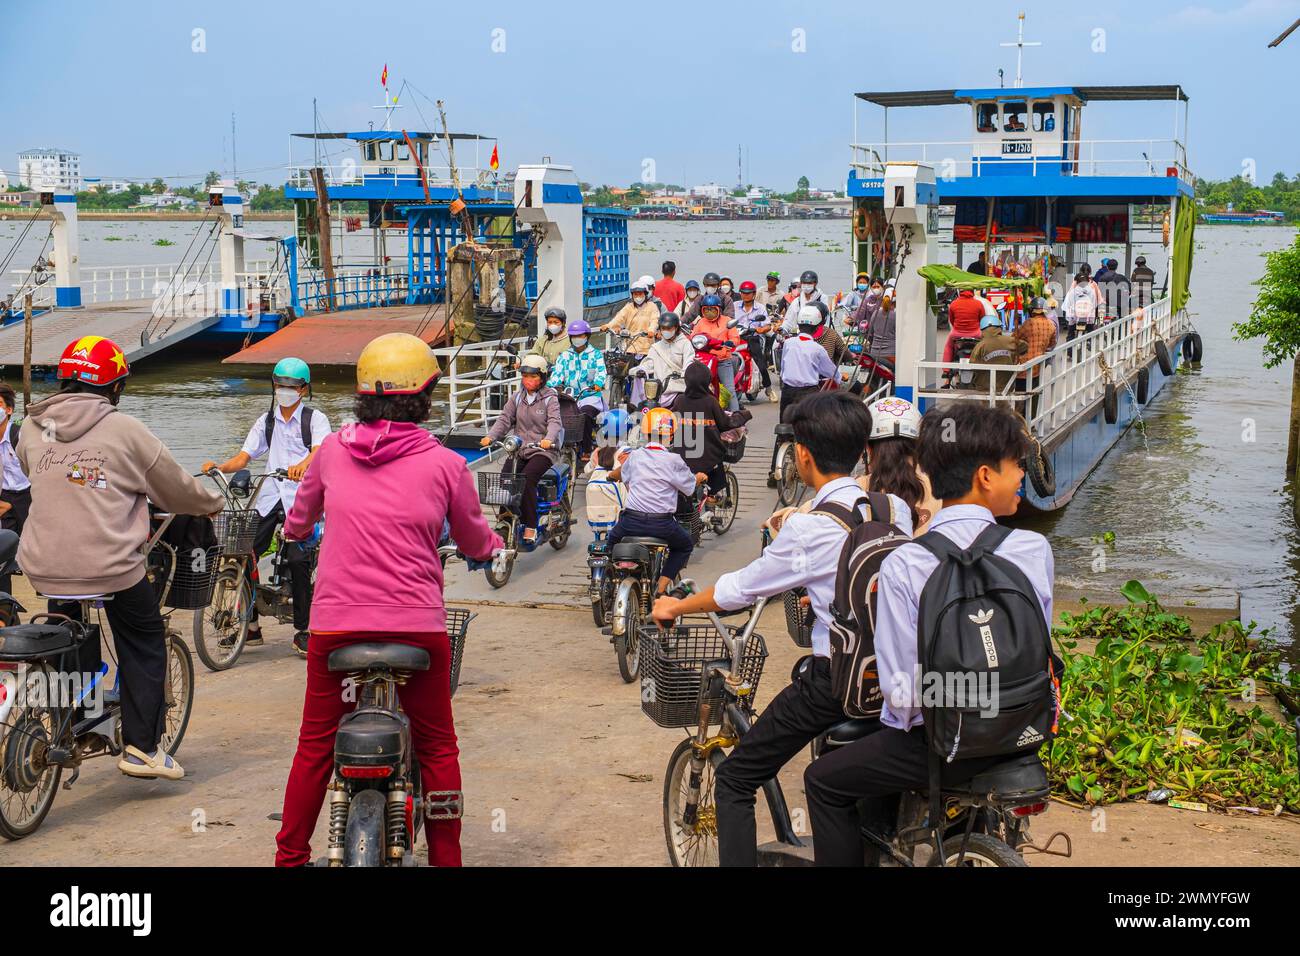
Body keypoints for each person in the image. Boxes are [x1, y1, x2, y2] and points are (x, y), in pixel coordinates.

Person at [651, 392, 913, 866]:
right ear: (861, 450)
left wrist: (677, 605)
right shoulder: (892, 509)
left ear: (802, 455)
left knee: (735, 778)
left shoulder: (809, 529)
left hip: (835, 683)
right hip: (891, 675)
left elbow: (739, 590)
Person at [274, 332, 504, 867]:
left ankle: (289, 859)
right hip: (416, 630)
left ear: (362, 394)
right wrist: (490, 548)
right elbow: (473, 540)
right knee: (438, 747)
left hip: (334, 629)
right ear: (423, 396)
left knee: (314, 747)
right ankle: (447, 859)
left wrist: (296, 531)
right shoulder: (447, 464)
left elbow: (299, 520)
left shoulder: (330, 452)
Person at [803, 402, 1052, 866]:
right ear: (985, 476)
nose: (1023, 475)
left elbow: (900, 695)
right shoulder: (1032, 550)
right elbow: (1037, 650)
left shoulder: (906, 562)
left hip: (939, 742)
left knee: (823, 780)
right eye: (1017, 465)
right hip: (1021, 727)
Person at [18, 335, 225, 780]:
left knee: (68, 631)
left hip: (43, 565)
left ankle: (77, 721)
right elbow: (175, 489)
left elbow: (33, 469)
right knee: (143, 639)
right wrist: (210, 504)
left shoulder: (32, 427)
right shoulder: (126, 430)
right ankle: (142, 748)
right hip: (109, 566)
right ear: (115, 387)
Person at [202, 357, 330, 657]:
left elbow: (321, 450)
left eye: (292, 386)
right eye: (280, 384)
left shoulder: (315, 420)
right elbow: (244, 457)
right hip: (270, 495)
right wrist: (218, 466)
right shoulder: (266, 421)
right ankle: (252, 625)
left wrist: (301, 465)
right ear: (274, 385)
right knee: (244, 551)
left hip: (302, 497)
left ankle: (303, 629)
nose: (285, 390)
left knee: (299, 560)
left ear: (303, 389)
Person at [768, 396, 936, 537]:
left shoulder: (853, 489)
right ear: (919, 446)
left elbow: (781, 525)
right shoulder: (941, 490)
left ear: (867, 449)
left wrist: (782, 516)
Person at [605, 408, 701, 597]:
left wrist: (610, 475)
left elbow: (620, 473)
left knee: (611, 542)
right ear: (671, 436)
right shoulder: (674, 460)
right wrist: (698, 478)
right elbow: (689, 488)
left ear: (645, 433)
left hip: (631, 522)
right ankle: (662, 588)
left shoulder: (635, 456)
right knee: (684, 546)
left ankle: (611, 579)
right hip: (662, 524)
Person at [479, 354, 561, 548]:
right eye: (525, 376)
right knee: (506, 478)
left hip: (542, 451)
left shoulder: (550, 398)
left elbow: (555, 423)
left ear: (542, 377)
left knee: (527, 479)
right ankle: (505, 520)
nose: (528, 381)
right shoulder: (517, 398)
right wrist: (491, 436)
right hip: (519, 449)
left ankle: (530, 525)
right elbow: (504, 419)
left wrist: (548, 439)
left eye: (533, 377)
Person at [672, 362, 752, 498]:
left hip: (682, 457)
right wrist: (744, 415)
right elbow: (726, 423)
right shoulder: (710, 401)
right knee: (717, 459)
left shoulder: (680, 400)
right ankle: (712, 496)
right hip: (707, 457)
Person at [548, 319, 607, 459]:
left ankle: (587, 449)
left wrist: (598, 382)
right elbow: (557, 374)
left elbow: (601, 372)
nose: (577, 339)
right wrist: (549, 386)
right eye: (574, 336)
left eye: (580, 335)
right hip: (569, 397)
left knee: (584, 416)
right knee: (559, 416)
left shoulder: (596, 354)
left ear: (586, 336)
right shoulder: (565, 356)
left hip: (590, 396)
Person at [778, 304, 838, 422]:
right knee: (812, 427)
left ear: (799, 325)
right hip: (808, 393)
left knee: (784, 422)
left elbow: (783, 366)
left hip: (787, 391)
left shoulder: (788, 343)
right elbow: (831, 371)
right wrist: (839, 377)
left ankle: (782, 438)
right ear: (817, 327)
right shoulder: (817, 348)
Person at [0, 383, 31, 596]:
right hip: (6, 494)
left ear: (8, 410)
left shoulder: (18, 434)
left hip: (29, 493)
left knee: (41, 545)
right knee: (4, 548)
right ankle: (6, 604)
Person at [691, 294, 743, 412]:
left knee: (729, 389)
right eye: (706, 309)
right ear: (702, 310)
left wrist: (730, 343)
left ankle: (736, 417)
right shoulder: (700, 323)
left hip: (722, 361)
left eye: (712, 309)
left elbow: (735, 338)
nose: (709, 312)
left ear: (718, 309)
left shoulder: (727, 321)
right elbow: (693, 336)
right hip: (704, 361)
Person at [732, 280, 775, 399]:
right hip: (737, 336)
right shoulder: (734, 306)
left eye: (749, 292)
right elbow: (727, 320)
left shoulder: (760, 308)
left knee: (759, 360)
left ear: (754, 293)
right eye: (743, 292)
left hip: (753, 337)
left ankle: (768, 388)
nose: (746, 295)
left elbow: (767, 325)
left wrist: (760, 329)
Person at [1012, 297, 1058, 406]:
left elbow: (1014, 339)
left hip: (1023, 368)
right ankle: (1032, 421)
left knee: (1020, 398)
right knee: (1034, 397)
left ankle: (1020, 419)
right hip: (1038, 366)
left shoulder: (1029, 323)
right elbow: (1051, 344)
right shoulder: (1051, 325)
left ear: (1032, 310)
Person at [642, 313, 697, 403]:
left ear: (676, 328)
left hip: (679, 388)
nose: (666, 331)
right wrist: (640, 370)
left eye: (669, 328)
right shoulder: (655, 347)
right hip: (658, 391)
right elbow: (649, 364)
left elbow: (689, 362)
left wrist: (684, 374)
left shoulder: (685, 344)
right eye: (663, 328)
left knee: (683, 407)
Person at [967, 312, 1028, 394]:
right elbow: (1024, 347)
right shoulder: (1011, 341)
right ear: (999, 328)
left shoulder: (980, 345)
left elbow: (972, 364)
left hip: (984, 388)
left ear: (983, 330)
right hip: (1006, 387)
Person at [606, 278, 659, 357]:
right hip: (630, 345)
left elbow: (655, 320)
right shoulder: (628, 307)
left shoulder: (652, 306)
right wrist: (608, 326)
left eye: (640, 294)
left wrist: (651, 331)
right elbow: (619, 318)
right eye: (635, 294)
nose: (638, 297)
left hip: (646, 347)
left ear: (645, 294)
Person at [780, 269, 829, 335]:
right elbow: (788, 320)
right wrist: (782, 329)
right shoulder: (797, 301)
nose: (806, 285)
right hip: (798, 333)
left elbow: (827, 320)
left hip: (818, 333)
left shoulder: (822, 298)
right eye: (804, 283)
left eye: (809, 283)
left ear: (815, 283)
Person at [1061, 270, 1101, 341]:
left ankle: (1069, 349)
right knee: (1090, 331)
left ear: (1076, 282)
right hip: (1088, 319)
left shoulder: (1072, 292)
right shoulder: (1091, 291)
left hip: (1074, 319)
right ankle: (1089, 342)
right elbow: (1094, 305)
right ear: (1088, 282)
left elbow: (1067, 305)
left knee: (1070, 334)